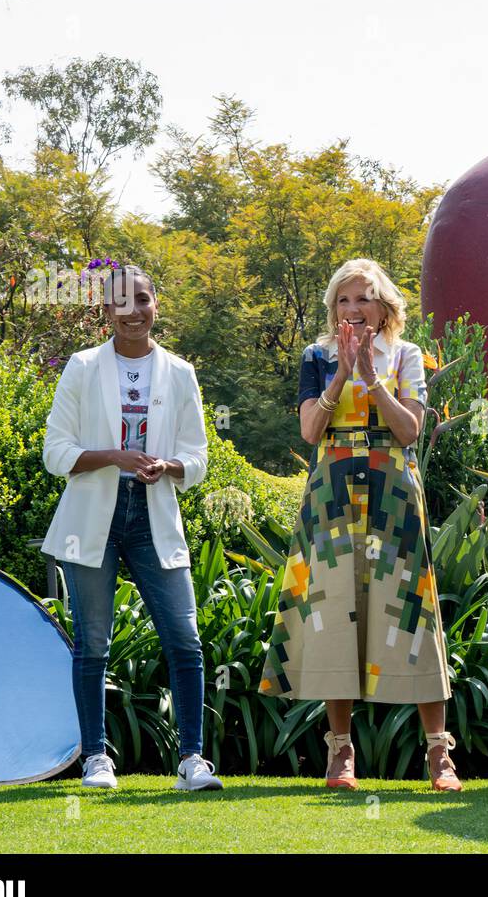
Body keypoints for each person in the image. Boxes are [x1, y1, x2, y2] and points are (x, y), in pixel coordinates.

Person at [258, 259, 460, 792]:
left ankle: (440, 754)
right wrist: (343, 374)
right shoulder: (317, 357)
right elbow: (309, 430)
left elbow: (410, 431)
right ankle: (339, 752)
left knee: (411, 610)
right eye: (344, 301)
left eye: (363, 299)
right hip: (332, 490)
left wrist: (371, 377)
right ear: (334, 308)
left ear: (384, 306)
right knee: (333, 609)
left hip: (392, 486)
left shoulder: (406, 355)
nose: (353, 310)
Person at [42, 264, 221, 791]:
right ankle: (96, 759)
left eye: (142, 300)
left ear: (155, 305)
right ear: (106, 311)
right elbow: (56, 453)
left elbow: (199, 456)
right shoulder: (81, 367)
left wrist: (168, 467)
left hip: (153, 517)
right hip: (90, 519)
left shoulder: (180, 373)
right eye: (122, 303)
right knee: (92, 644)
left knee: (185, 642)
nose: (133, 311)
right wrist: (115, 456)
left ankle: (192, 761)